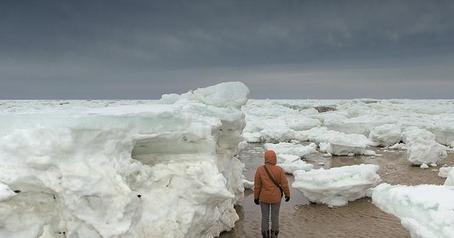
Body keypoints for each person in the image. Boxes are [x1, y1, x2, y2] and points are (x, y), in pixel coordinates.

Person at [254, 150, 290, 238]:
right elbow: (284, 184)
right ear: (275, 158)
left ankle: (265, 235)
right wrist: (287, 194)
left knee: (265, 217)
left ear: (265, 158)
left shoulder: (260, 169)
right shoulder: (279, 170)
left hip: (264, 197)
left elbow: (257, 186)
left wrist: (256, 197)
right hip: (276, 197)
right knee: (275, 217)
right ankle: (274, 235)